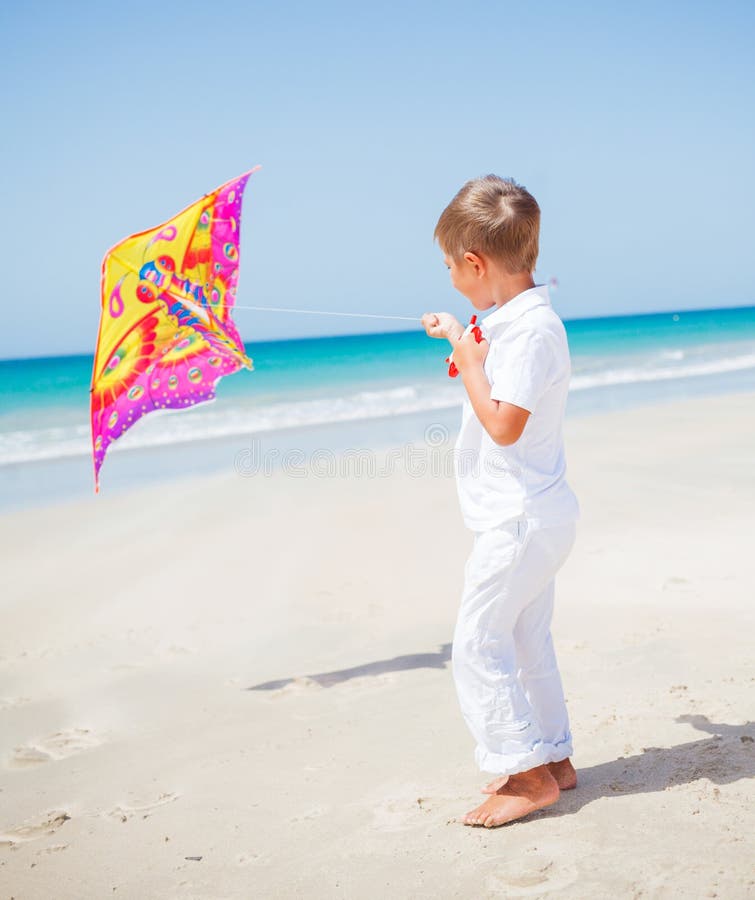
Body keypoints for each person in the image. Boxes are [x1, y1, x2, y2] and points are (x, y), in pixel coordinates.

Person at [422, 175, 580, 828]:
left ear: (474, 263)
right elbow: (501, 392)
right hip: (534, 513)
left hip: (518, 520)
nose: (450, 277)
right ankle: (555, 758)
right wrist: (467, 346)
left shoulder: (531, 332)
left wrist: (468, 354)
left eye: (449, 266)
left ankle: (524, 773)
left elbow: (504, 425)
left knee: (476, 643)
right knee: (522, 637)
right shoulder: (515, 323)